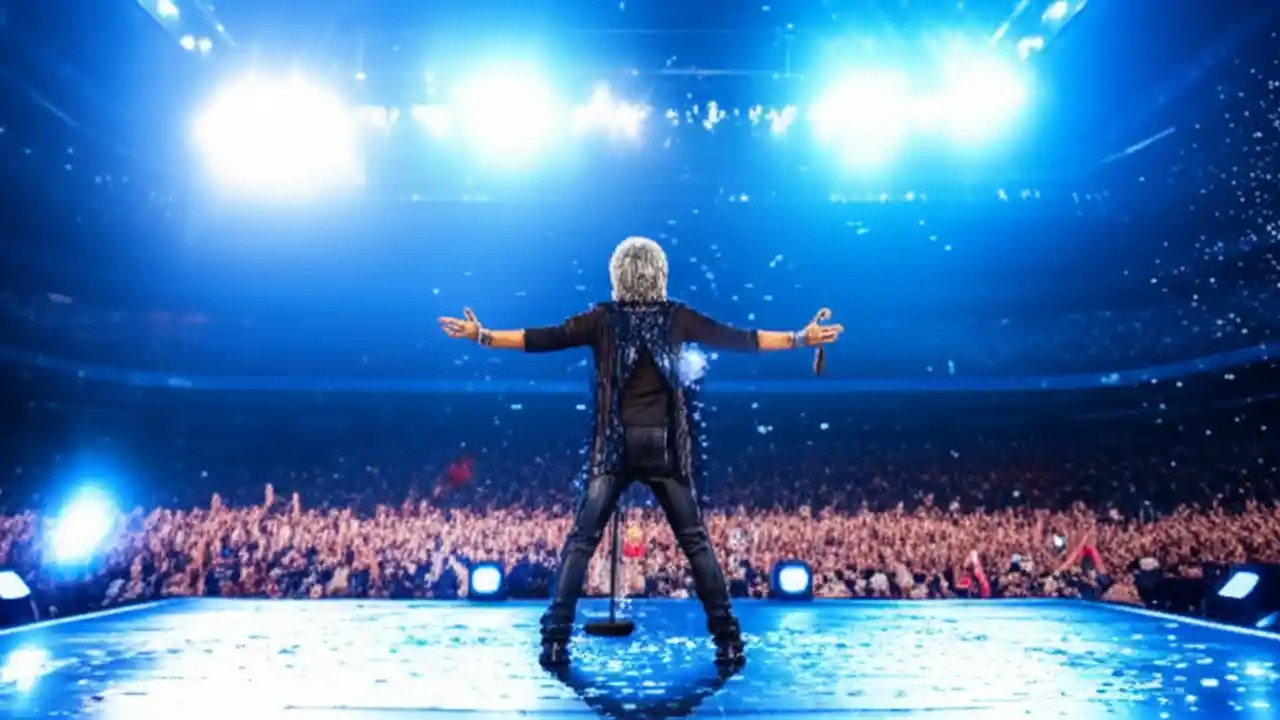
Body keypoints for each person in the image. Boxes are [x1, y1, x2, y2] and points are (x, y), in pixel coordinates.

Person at [439, 236, 843, 667]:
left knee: (580, 543)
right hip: (664, 448)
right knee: (695, 543)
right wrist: (801, 338)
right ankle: (727, 640)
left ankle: (555, 640)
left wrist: (482, 335)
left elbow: (540, 338)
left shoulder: (602, 319)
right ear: (660, 274)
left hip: (614, 447)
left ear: (617, 275)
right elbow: (743, 339)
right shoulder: (676, 317)